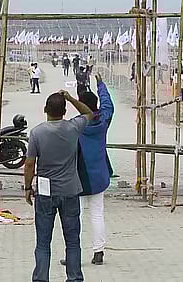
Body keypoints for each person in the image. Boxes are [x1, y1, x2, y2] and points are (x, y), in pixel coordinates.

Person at [25, 91, 96, 282]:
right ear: (65, 111)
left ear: (45, 110)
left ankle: (41, 278)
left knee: (43, 242)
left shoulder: (37, 132)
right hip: (71, 190)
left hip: (46, 193)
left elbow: (30, 164)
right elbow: (89, 113)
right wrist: (72, 98)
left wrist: (27, 187)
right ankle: (74, 278)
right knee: (72, 241)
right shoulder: (73, 127)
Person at [67, 74, 114, 266]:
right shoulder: (103, 121)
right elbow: (108, 104)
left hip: (78, 176)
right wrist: (101, 84)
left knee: (75, 216)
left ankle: (73, 254)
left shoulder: (75, 125)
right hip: (99, 175)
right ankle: (98, 252)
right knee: (97, 214)